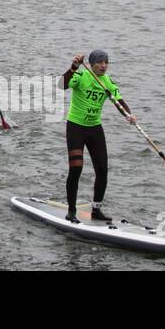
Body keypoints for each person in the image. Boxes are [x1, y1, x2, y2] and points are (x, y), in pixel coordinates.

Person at [62, 49, 135, 225]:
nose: (103, 66)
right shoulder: (81, 77)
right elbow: (62, 85)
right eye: (100, 62)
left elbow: (119, 101)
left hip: (95, 129)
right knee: (76, 168)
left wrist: (128, 115)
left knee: (102, 169)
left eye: (106, 62)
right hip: (76, 128)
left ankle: (96, 210)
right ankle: (71, 210)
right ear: (92, 64)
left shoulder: (107, 82)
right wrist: (73, 67)